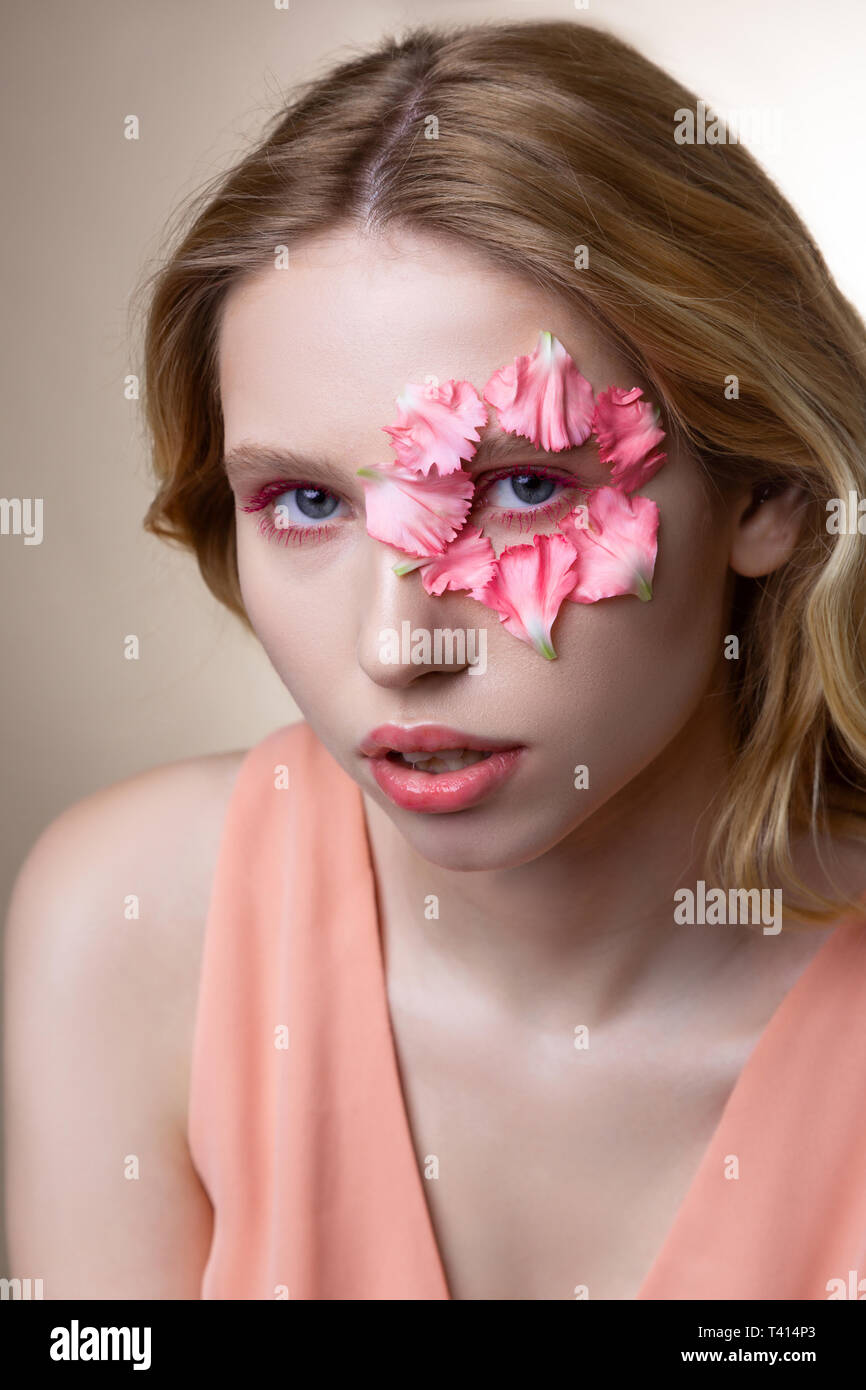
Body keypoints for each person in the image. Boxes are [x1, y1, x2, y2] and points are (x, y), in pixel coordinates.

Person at [6, 19, 866, 1301]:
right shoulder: (127, 931)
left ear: (768, 495)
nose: (392, 645)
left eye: (523, 484)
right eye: (302, 503)